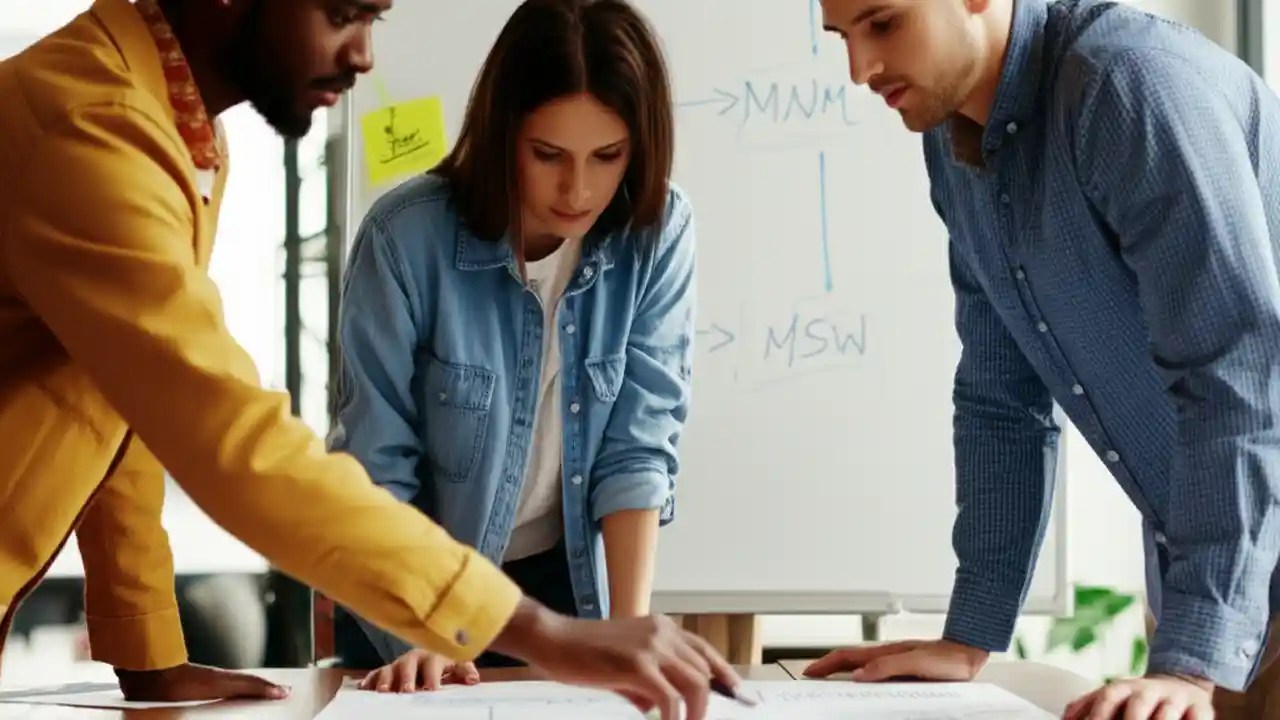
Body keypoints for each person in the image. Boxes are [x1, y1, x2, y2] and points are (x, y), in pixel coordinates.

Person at [0, 1, 741, 717]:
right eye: (342, 12)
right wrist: (525, 631)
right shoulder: (98, 127)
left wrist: (148, 651)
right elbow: (228, 439)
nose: (364, 54)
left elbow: (119, 397)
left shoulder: (172, 133)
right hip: (432, 602)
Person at [804, 0, 1280, 718]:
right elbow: (1001, 394)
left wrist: (1189, 663)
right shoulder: (953, 141)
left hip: (1227, 585)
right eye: (843, 37)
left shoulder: (1128, 87)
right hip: (1221, 573)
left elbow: (1240, 375)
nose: (859, 69)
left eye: (883, 23)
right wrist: (970, 633)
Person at [328, 0, 696, 693]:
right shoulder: (404, 241)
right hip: (410, 590)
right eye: (548, 154)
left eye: (607, 156)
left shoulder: (658, 232)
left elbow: (639, 445)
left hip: (560, 590)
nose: (578, 189)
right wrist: (419, 636)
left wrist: (628, 630)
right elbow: (376, 469)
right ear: (503, 135)